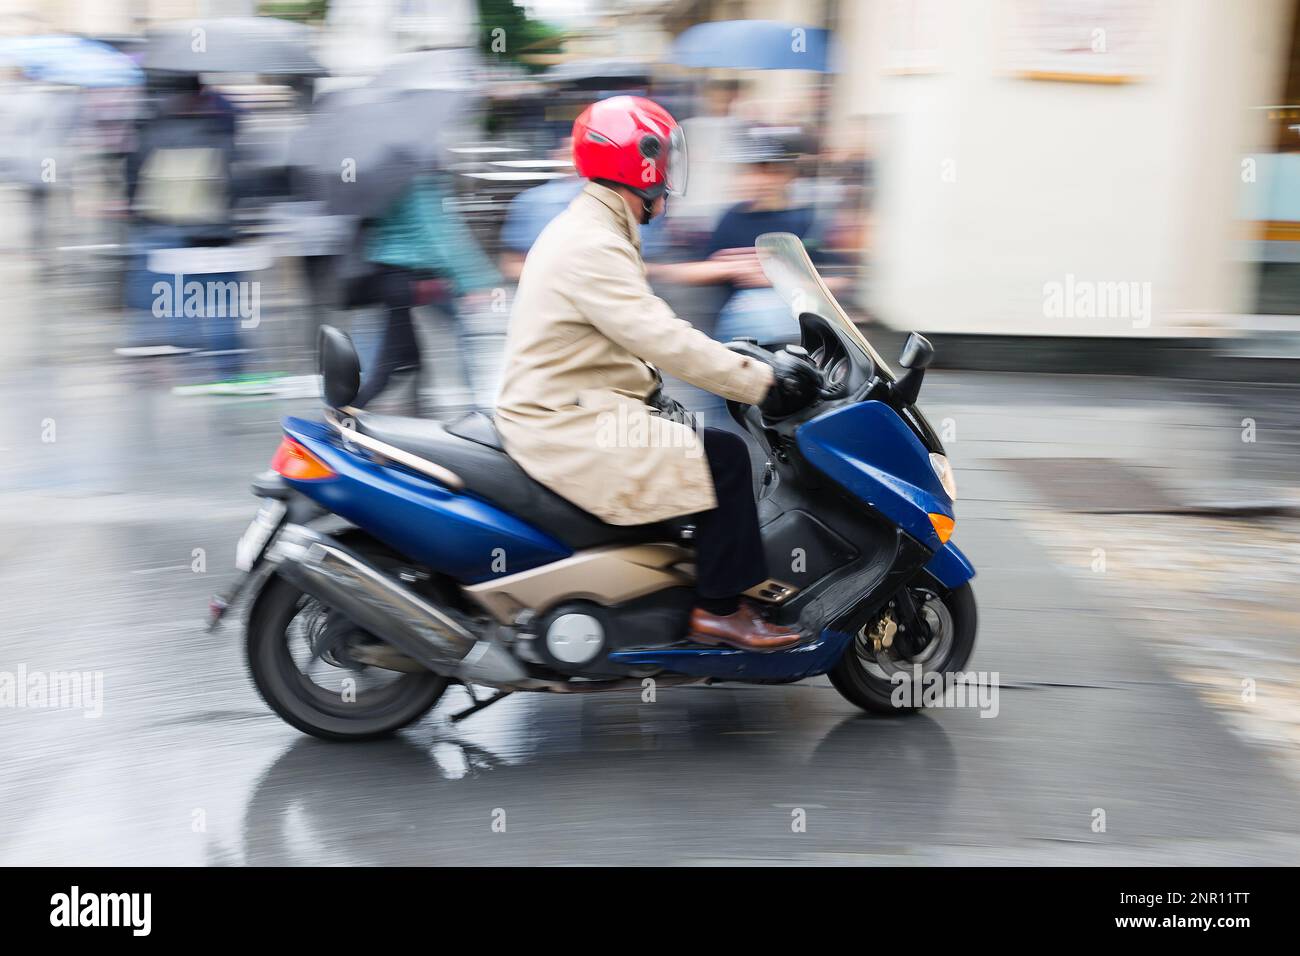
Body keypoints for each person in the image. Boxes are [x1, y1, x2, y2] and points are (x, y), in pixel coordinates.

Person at [495, 95, 823, 652]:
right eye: (663, 159)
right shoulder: (593, 243)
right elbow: (660, 336)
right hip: (564, 421)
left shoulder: (596, 225)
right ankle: (719, 609)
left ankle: (667, 589)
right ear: (637, 161)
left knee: (696, 443)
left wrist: (732, 361)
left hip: (574, 405)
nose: (669, 175)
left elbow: (637, 333)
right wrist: (761, 383)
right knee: (723, 457)